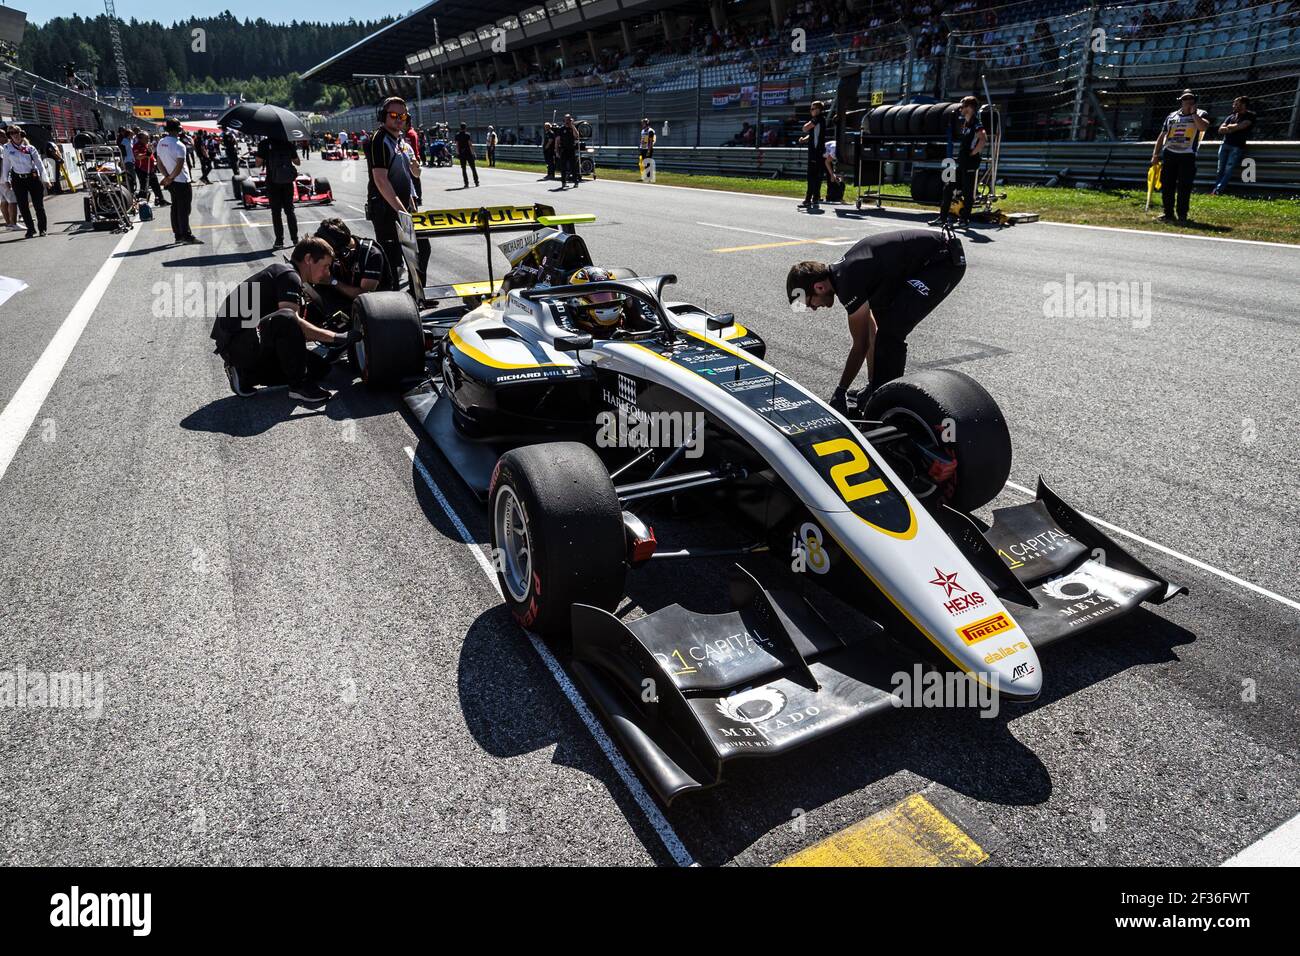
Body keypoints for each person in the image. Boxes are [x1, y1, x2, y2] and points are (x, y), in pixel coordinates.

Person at [785, 229, 967, 412]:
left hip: (943, 261)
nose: (814, 308)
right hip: (929, 258)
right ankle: (878, 390)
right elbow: (871, 334)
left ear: (819, 287)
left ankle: (889, 402)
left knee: (891, 333)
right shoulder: (843, 275)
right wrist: (873, 384)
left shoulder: (848, 283)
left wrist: (840, 390)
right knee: (882, 316)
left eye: (810, 303)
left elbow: (861, 345)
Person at [209, 237, 347, 405]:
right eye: (325, 266)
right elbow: (293, 322)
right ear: (309, 259)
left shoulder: (287, 273)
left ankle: (246, 375)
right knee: (287, 317)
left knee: (320, 368)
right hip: (237, 343)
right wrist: (337, 337)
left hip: (245, 339)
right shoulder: (289, 275)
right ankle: (298, 386)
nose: (327, 273)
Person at [366, 96, 429, 288]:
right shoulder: (379, 140)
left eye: (403, 116)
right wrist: (401, 211)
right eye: (394, 115)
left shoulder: (401, 142)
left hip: (404, 209)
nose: (399, 119)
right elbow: (380, 179)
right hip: (386, 210)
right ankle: (394, 301)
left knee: (422, 249)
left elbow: (410, 176)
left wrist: (411, 205)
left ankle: (418, 294)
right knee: (392, 261)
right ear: (382, 116)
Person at [309, 217, 396, 322]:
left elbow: (364, 296)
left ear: (344, 251)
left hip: (374, 309)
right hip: (345, 299)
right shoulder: (338, 250)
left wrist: (332, 281)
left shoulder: (372, 255)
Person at [1151, 89, 1209, 224]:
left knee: (1184, 186)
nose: (1188, 101)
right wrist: (1155, 154)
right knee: (1167, 185)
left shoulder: (1201, 114)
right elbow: (1162, 136)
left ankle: (1182, 215)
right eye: (1185, 99)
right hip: (1169, 154)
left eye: (1191, 99)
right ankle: (1168, 214)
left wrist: (1193, 114)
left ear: (1194, 101)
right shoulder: (1171, 116)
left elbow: (1203, 127)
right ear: (1181, 101)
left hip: (1187, 155)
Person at [931, 96, 986, 228]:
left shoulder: (976, 123)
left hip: (970, 163)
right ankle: (942, 218)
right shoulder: (966, 123)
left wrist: (973, 153)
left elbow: (983, 138)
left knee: (967, 192)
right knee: (948, 186)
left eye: (962, 107)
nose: (960, 109)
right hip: (962, 163)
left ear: (970, 108)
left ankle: (964, 220)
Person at [157, 119, 200, 244]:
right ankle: (186, 235)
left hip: (171, 181)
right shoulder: (179, 145)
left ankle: (178, 235)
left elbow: (159, 163)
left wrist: (167, 177)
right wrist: (170, 178)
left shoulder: (161, 142)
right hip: (181, 180)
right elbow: (180, 165)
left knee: (175, 208)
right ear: (179, 130)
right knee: (184, 209)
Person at [2, 125, 49, 238]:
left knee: (38, 206)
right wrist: (6, 180)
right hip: (18, 180)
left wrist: (45, 179)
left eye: (16, 132)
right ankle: (31, 229)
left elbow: (40, 164)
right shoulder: (7, 148)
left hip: (33, 178)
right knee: (23, 206)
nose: (15, 135)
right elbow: (6, 165)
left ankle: (42, 229)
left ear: (21, 133)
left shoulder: (30, 148)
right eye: (11, 133)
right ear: (9, 136)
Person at [256, 135, 301, 250]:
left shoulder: (264, 144)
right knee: (290, 211)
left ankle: (279, 241)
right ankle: (295, 239)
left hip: (272, 182)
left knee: (276, 213)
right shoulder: (288, 143)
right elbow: (297, 162)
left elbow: (258, 163)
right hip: (287, 181)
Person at [1213, 96, 1254, 195]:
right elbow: (1220, 130)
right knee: (1220, 169)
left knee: (1228, 169)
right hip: (1225, 144)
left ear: (1243, 105)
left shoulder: (1250, 116)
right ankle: (1216, 189)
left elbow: (1242, 126)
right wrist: (1233, 127)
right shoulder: (1231, 116)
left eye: (1236, 104)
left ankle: (1218, 190)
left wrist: (1229, 127)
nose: (1233, 106)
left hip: (1237, 146)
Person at [798, 100, 827, 211]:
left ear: (818, 110)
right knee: (817, 176)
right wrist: (804, 140)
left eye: (812, 109)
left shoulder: (817, 119)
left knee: (811, 177)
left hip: (815, 152)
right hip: (818, 152)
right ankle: (815, 198)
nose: (811, 111)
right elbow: (813, 134)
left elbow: (805, 128)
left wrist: (807, 126)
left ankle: (808, 200)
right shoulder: (821, 120)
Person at [132, 131, 166, 205]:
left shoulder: (147, 145)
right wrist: (146, 155)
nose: (148, 139)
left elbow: (151, 155)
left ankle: (161, 200)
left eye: (148, 138)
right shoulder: (137, 146)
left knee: (156, 185)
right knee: (144, 186)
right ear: (140, 139)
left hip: (150, 169)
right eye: (146, 138)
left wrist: (154, 160)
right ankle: (141, 201)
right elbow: (138, 157)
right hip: (142, 169)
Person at [557, 114, 580, 188]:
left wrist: (572, 125)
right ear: (564, 120)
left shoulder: (572, 128)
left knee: (573, 166)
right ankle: (563, 182)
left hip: (571, 149)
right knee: (563, 167)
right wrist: (556, 150)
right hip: (563, 150)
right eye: (566, 119)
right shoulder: (561, 129)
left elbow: (577, 136)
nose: (567, 121)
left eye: (569, 119)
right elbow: (557, 140)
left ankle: (575, 181)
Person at [453, 122, 479, 188]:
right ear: (465, 128)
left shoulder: (457, 135)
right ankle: (476, 182)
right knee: (473, 168)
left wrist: (457, 153)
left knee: (464, 169)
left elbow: (457, 145)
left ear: (460, 128)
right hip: (468, 153)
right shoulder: (468, 135)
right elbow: (470, 144)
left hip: (462, 153)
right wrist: (473, 153)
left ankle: (466, 183)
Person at [638, 117, 656, 182]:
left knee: (648, 163)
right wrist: (640, 147)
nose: (642, 124)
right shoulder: (643, 131)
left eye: (643, 123)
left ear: (646, 123)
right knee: (644, 163)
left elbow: (651, 141)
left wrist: (649, 150)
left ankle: (649, 177)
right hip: (643, 148)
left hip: (648, 149)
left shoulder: (650, 131)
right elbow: (643, 139)